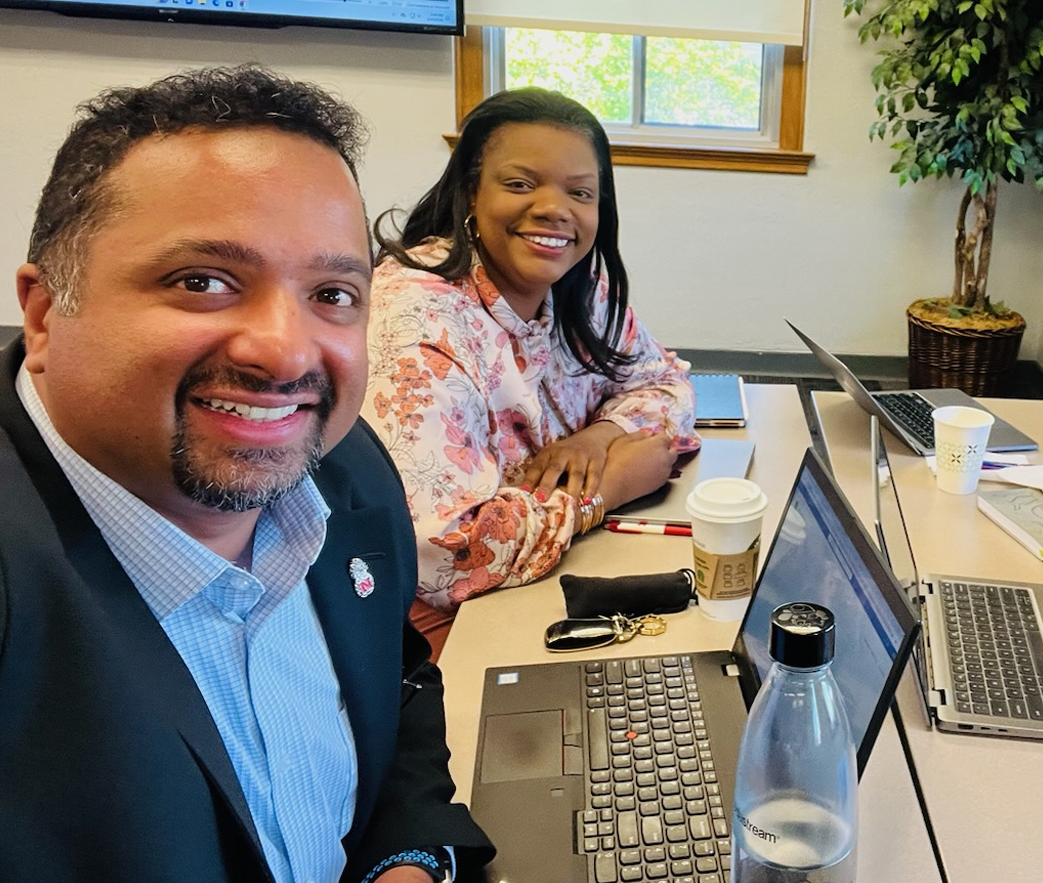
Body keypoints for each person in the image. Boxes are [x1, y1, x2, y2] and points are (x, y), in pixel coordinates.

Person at [0, 65, 492, 882]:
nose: (288, 351)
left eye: (332, 293)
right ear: (47, 311)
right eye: (202, 282)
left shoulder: (345, 471)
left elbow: (395, 679)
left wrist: (406, 855)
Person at [363, 87, 695, 653]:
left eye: (580, 192)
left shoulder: (580, 291)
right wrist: (603, 491)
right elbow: (441, 554)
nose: (553, 208)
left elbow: (666, 381)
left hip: (557, 567)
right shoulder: (417, 316)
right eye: (520, 184)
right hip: (439, 625)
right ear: (471, 191)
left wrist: (602, 435)